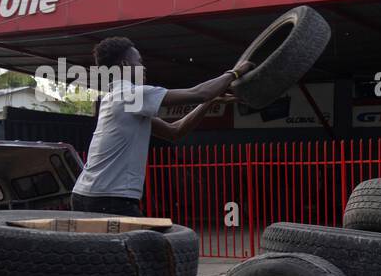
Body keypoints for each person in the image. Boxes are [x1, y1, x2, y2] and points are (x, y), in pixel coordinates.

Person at [71, 37, 250, 216]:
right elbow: (200, 93)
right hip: (109, 198)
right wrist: (234, 73)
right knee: (153, 243)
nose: (144, 67)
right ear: (125, 65)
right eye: (139, 61)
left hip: (85, 194)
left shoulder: (115, 98)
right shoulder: (131, 94)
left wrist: (208, 103)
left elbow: (174, 131)